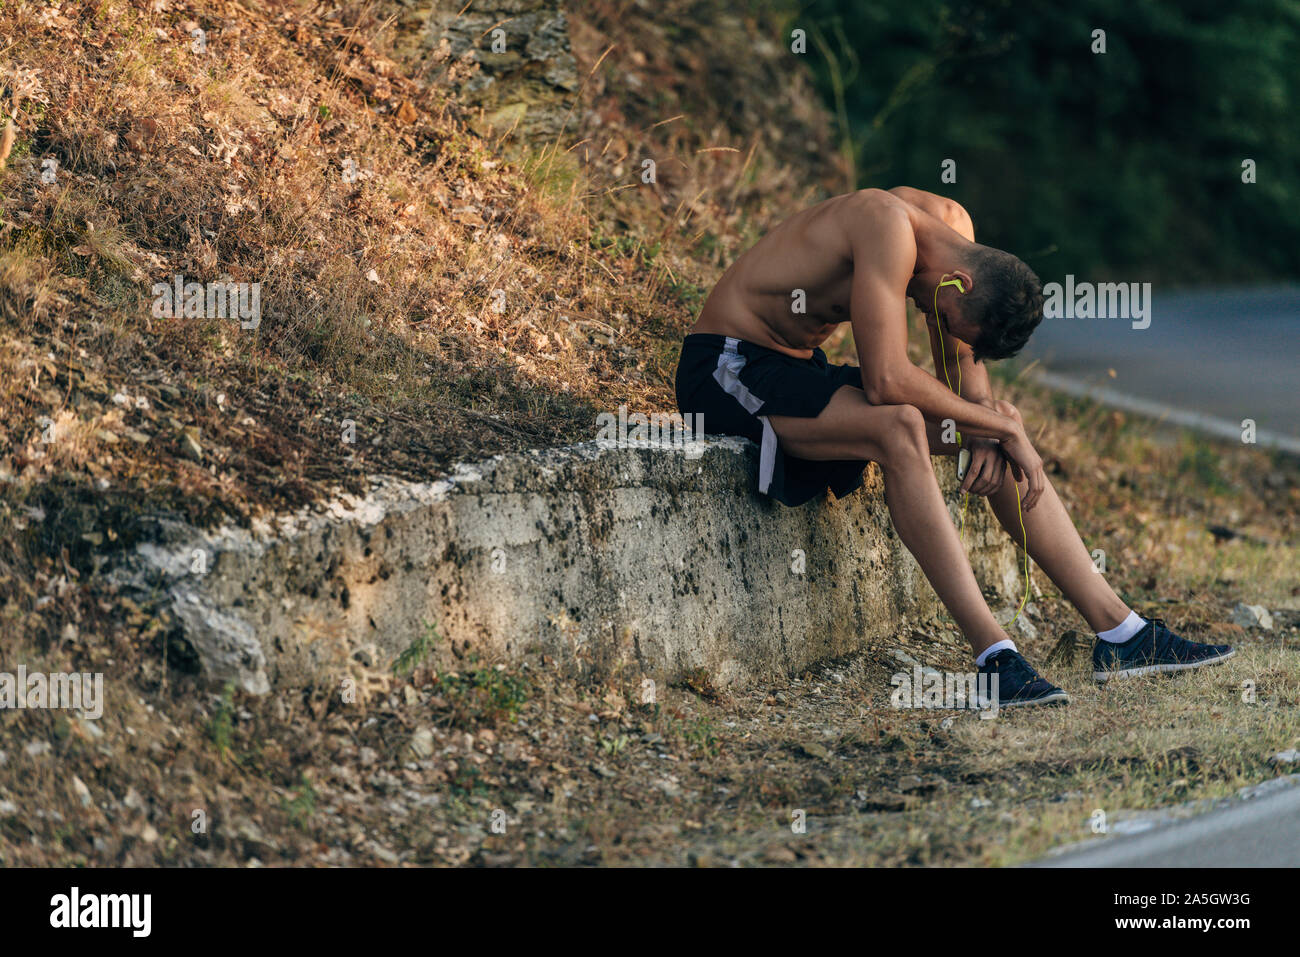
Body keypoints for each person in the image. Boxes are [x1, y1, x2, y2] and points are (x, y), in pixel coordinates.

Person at [674, 186, 1233, 707]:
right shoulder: (884, 225)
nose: (931, 320)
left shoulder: (954, 231)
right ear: (959, 286)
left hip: (797, 373)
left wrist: (991, 429)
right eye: (943, 319)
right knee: (901, 427)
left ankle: (1122, 633)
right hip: (728, 368)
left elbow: (965, 376)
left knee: (999, 417)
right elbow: (887, 380)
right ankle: (995, 657)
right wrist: (1001, 431)